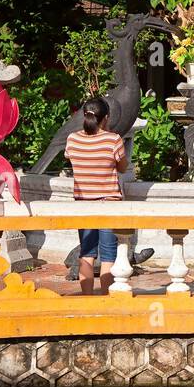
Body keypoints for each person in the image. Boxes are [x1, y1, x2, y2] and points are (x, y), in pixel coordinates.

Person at [65, 97, 128, 293]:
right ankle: (105, 298)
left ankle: (87, 298)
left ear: (84, 116)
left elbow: (71, 159)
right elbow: (123, 168)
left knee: (86, 253)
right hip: (108, 204)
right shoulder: (113, 140)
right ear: (106, 118)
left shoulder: (73, 139)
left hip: (83, 204)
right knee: (108, 255)